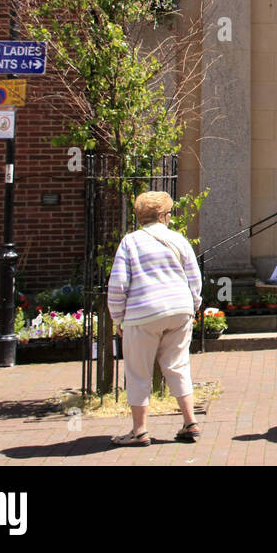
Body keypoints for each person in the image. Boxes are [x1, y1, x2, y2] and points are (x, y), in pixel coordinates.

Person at [107, 190, 203, 446]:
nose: (171, 217)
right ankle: (190, 421)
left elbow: (118, 284)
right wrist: (192, 306)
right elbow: (194, 278)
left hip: (143, 312)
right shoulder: (179, 240)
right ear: (161, 216)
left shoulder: (130, 242)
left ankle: (139, 430)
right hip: (179, 308)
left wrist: (118, 318)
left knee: (138, 372)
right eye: (169, 213)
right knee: (178, 365)